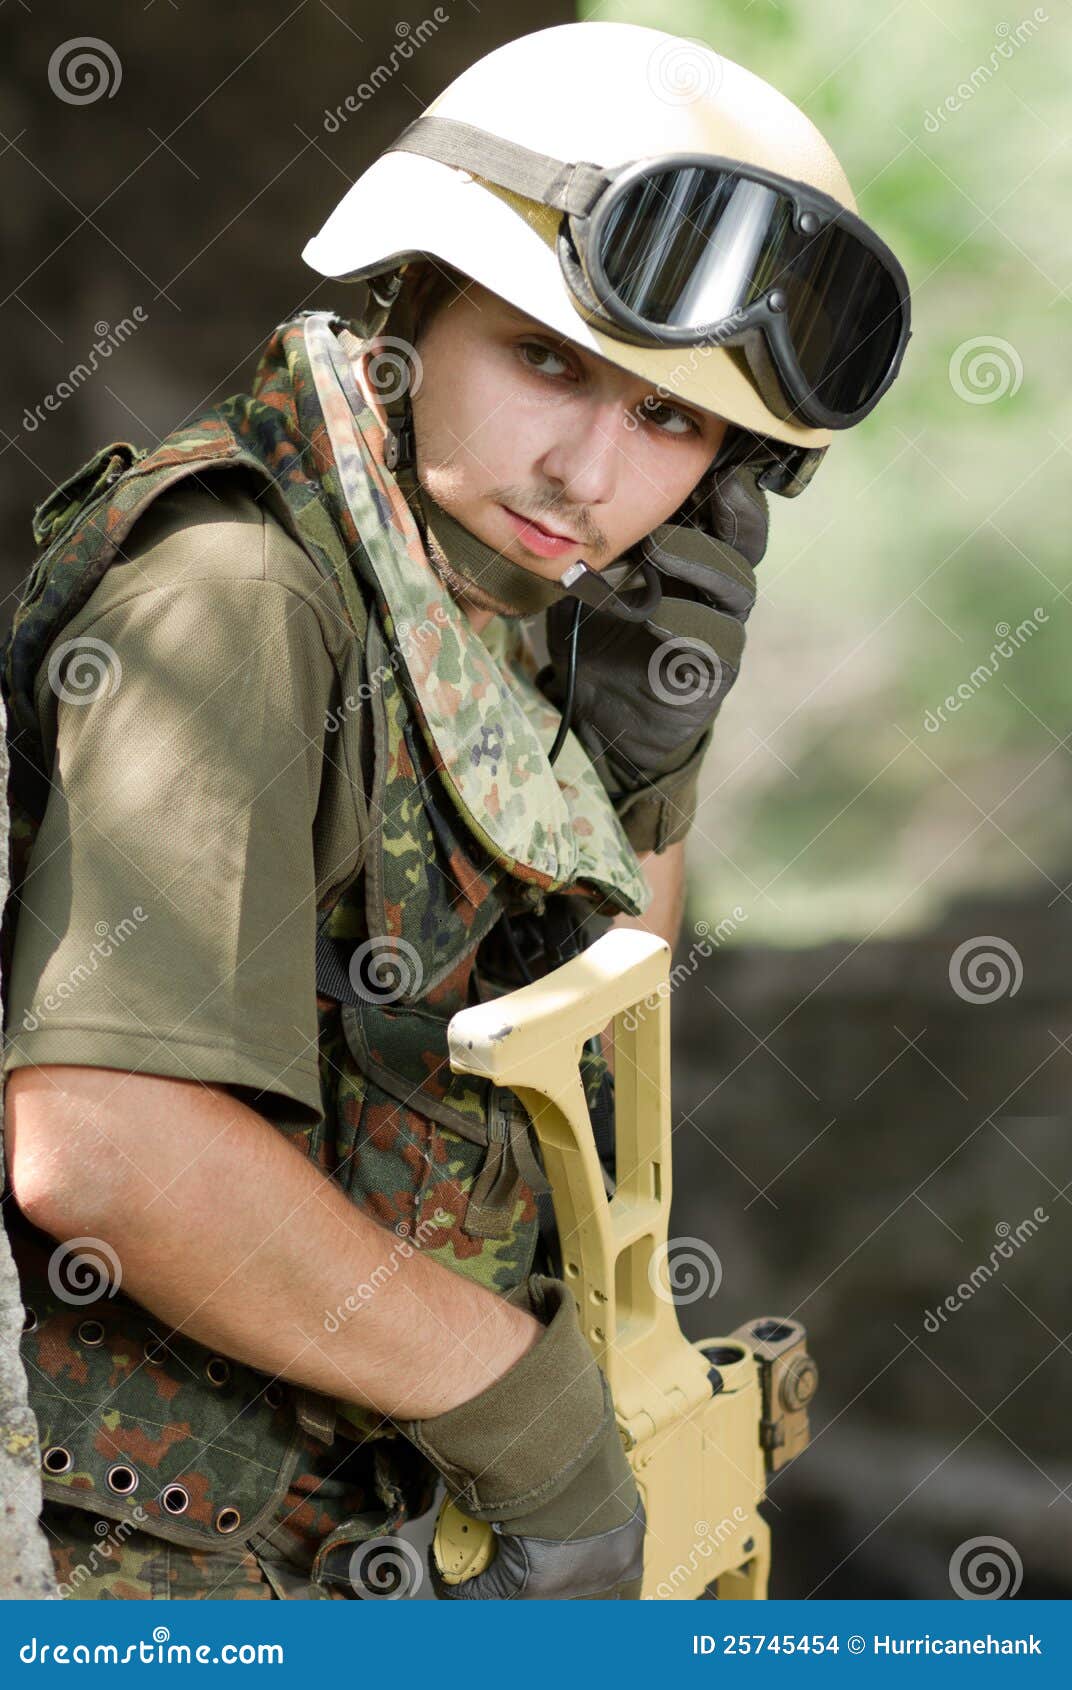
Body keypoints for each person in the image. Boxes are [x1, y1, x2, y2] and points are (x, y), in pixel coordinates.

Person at [0, 20, 909, 1601]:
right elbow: (107, 1146)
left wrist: (637, 778)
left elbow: (594, 1075)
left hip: (375, 1529)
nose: (587, 474)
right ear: (415, 298)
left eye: (669, 421)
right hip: (163, 1572)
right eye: (546, 362)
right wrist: (540, 1430)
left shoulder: (498, 601)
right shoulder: (241, 592)